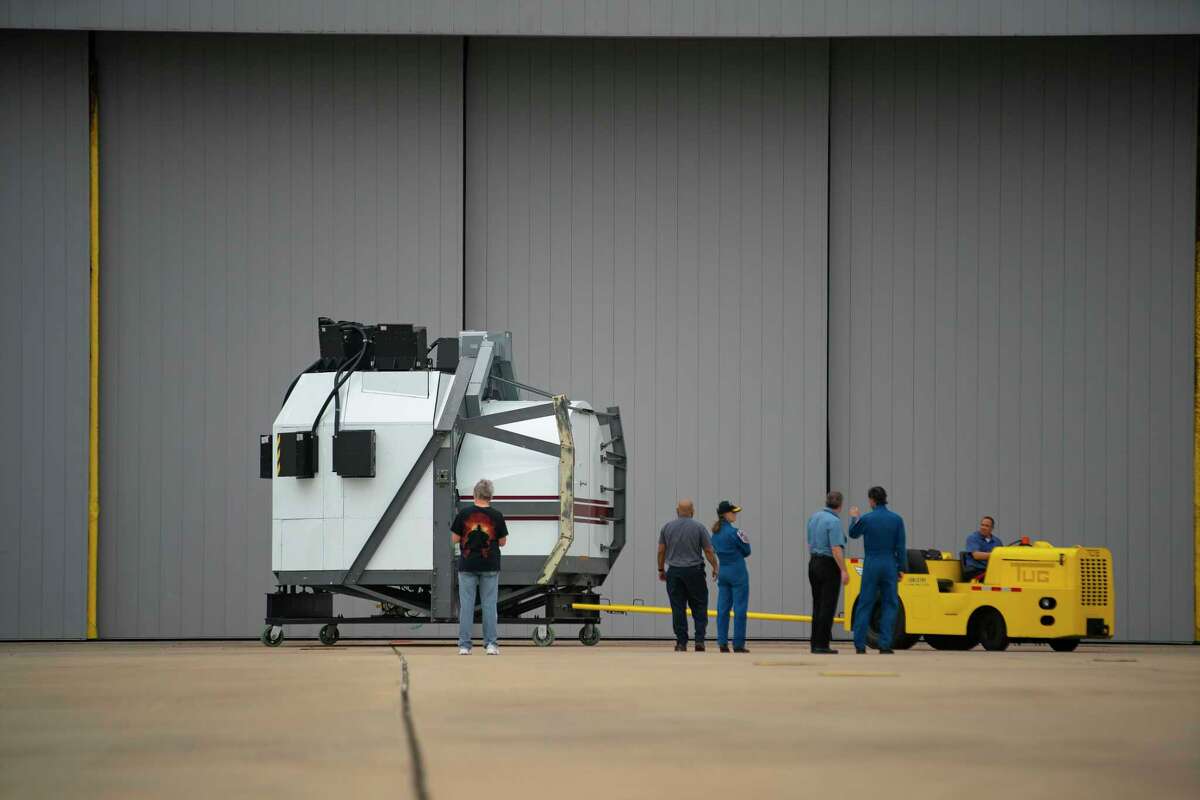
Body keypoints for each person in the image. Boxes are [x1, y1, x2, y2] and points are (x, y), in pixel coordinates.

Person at [451, 479, 509, 656]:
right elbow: (502, 542)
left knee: (466, 606)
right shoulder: (497, 516)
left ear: (475, 494)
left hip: (467, 565)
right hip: (490, 565)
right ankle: (491, 644)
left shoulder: (464, 514)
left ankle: (464, 646)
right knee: (489, 605)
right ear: (490, 496)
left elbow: (454, 539)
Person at [848, 486, 906, 654]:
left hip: (872, 563)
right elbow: (901, 546)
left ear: (872, 500)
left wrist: (854, 518)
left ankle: (860, 645)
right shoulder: (897, 519)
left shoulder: (867, 519)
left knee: (865, 603)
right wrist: (902, 568)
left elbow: (853, 534)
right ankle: (885, 644)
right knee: (890, 604)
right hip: (889, 563)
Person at [657, 499, 720, 652]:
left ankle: (681, 643)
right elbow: (708, 551)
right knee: (699, 606)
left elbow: (661, 551)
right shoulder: (699, 527)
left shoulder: (667, 528)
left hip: (674, 572)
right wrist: (715, 566)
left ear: (677, 511)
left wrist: (661, 569)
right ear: (692, 511)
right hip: (694, 572)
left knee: (678, 608)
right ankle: (699, 641)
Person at [806, 490, 850, 654]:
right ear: (840, 505)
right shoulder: (834, 522)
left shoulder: (814, 517)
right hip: (828, 565)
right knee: (828, 605)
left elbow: (810, 543)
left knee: (817, 604)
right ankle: (822, 644)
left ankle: (814, 643)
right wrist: (843, 570)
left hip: (814, 562)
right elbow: (836, 548)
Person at [711, 501, 751, 653]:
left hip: (724, 571)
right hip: (737, 571)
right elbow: (747, 551)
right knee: (740, 608)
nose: (735, 515)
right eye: (733, 512)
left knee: (722, 608)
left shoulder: (715, 534)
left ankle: (722, 642)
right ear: (726, 514)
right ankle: (738, 644)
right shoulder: (736, 532)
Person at [963, 515, 1002, 581]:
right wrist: (996, 555)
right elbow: (976, 555)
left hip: (991, 570)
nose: (983, 527)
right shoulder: (973, 538)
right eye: (982, 525)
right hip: (975, 570)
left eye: (987, 526)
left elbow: (1001, 557)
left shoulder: (997, 541)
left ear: (992, 528)